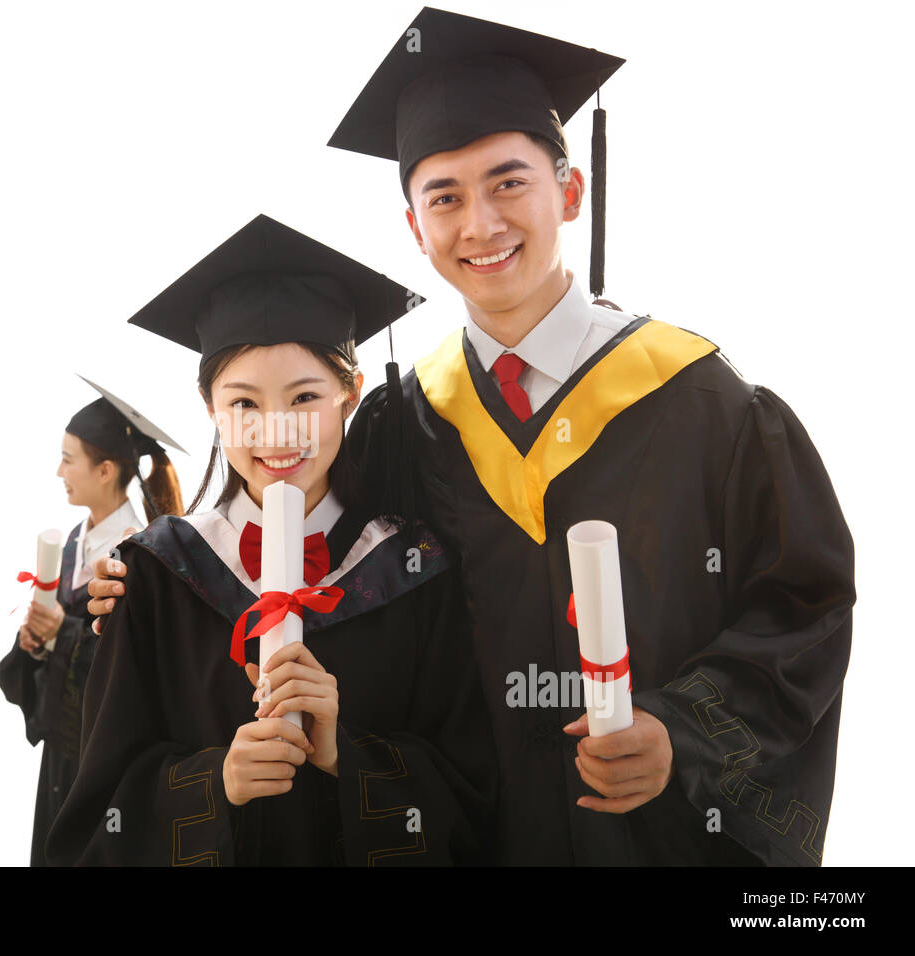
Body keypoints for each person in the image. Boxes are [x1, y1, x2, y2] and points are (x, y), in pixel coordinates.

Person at [324, 9, 855, 864]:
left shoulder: (703, 401)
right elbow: (340, 597)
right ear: (414, 231)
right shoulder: (404, 425)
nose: (480, 224)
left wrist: (683, 729)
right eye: (445, 198)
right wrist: (132, 594)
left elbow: (804, 608)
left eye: (508, 182)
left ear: (569, 192)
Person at [46, 214, 492, 866]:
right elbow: (94, 822)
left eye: (305, 396)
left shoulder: (414, 571)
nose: (276, 433)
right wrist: (215, 783)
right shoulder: (156, 577)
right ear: (210, 410)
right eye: (245, 404)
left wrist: (348, 758)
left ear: (350, 395)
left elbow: (474, 798)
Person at [0, 380, 184, 866]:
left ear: (104, 470)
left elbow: (141, 667)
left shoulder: (139, 549)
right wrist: (36, 643)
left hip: (111, 756)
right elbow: (60, 653)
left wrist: (64, 633)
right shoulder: (74, 542)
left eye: (68, 459)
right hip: (64, 748)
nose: (59, 471)